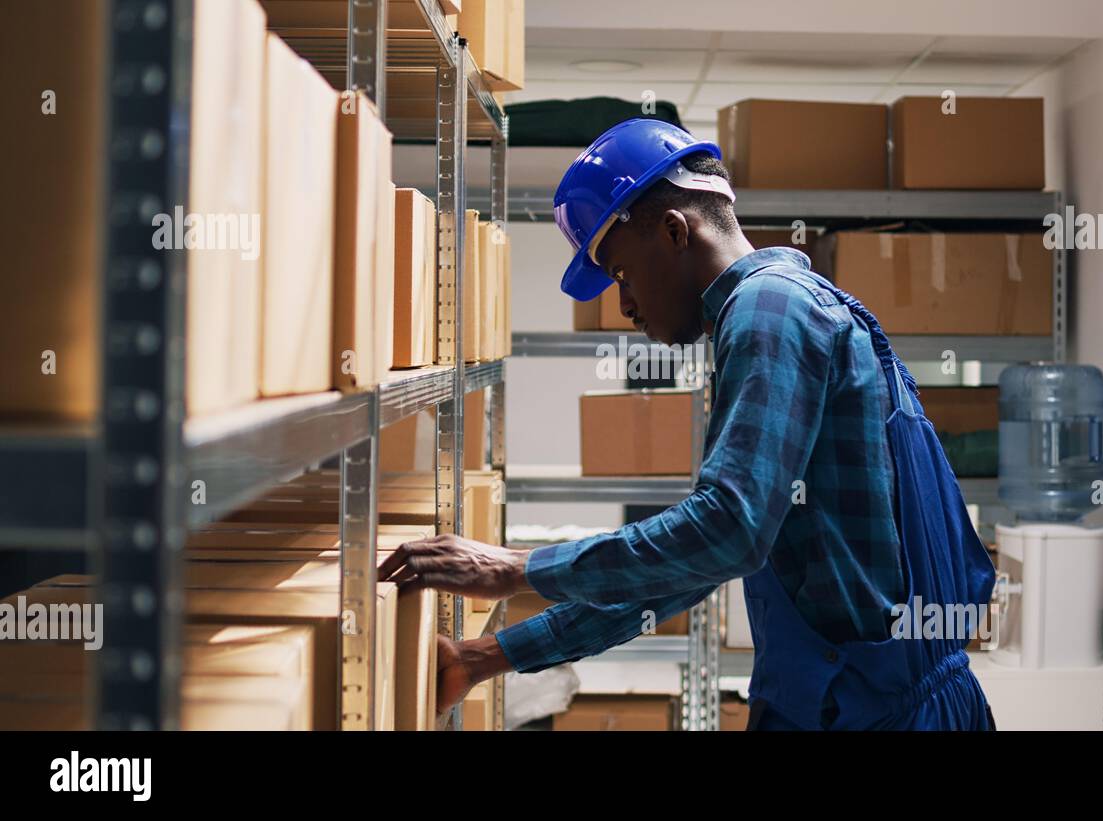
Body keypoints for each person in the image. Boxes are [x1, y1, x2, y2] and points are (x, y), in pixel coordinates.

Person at [378, 118, 997, 731]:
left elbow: (729, 529)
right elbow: (693, 564)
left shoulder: (769, 309)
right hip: (863, 702)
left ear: (674, 231)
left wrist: (514, 569)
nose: (622, 307)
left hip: (879, 712)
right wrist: (484, 658)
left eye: (620, 273)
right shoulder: (779, 308)